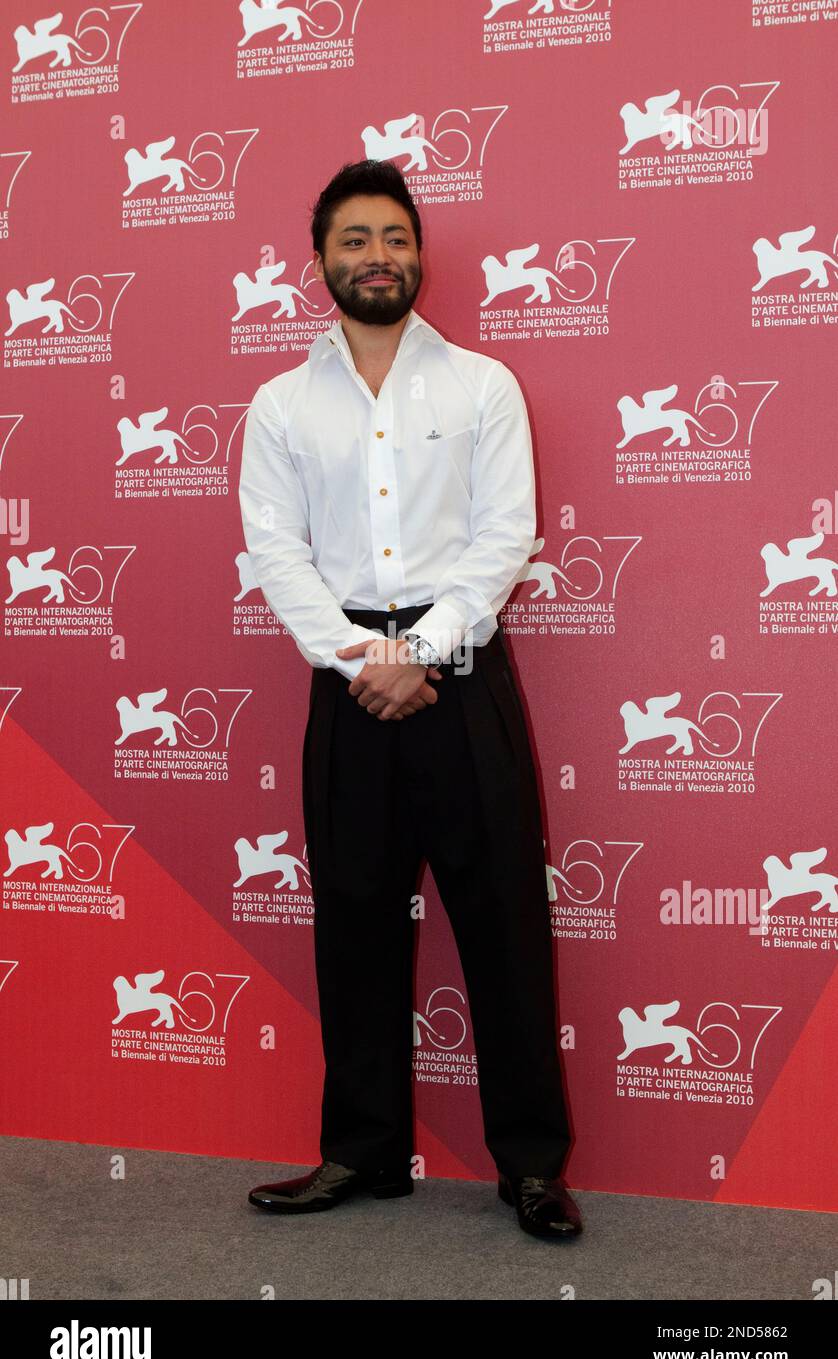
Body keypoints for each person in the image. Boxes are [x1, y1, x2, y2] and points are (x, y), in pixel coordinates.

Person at [237, 158, 582, 1239]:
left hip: (462, 682)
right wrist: (359, 662)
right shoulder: (279, 403)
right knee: (351, 923)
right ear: (320, 260)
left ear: (418, 253)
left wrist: (418, 652)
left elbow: (502, 539)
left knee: (505, 931)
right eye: (352, 239)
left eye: (392, 236)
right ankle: (363, 1151)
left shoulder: (482, 386)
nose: (375, 255)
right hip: (348, 692)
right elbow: (275, 552)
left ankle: (529, 1165)